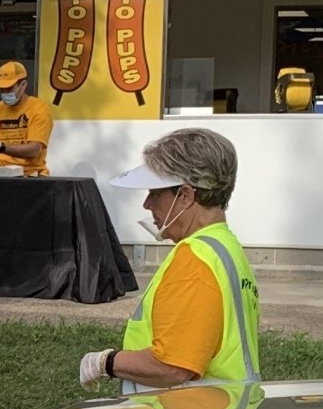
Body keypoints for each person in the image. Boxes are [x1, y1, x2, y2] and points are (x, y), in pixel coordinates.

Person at [79, 126, 260, 391]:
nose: (147, 204)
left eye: (155, 193)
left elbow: (173, 366)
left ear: (185, 196)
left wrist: (106, 362)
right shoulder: (225, 246)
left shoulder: (194, 259)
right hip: (223, 408)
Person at [0, 60, 52, 173]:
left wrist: (0, 147)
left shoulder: (39, 108)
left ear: (23, 85)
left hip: (31, 174)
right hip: (2, 172)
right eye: (1, 89)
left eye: (9, 88)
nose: (5, 92)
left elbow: (33, 150)